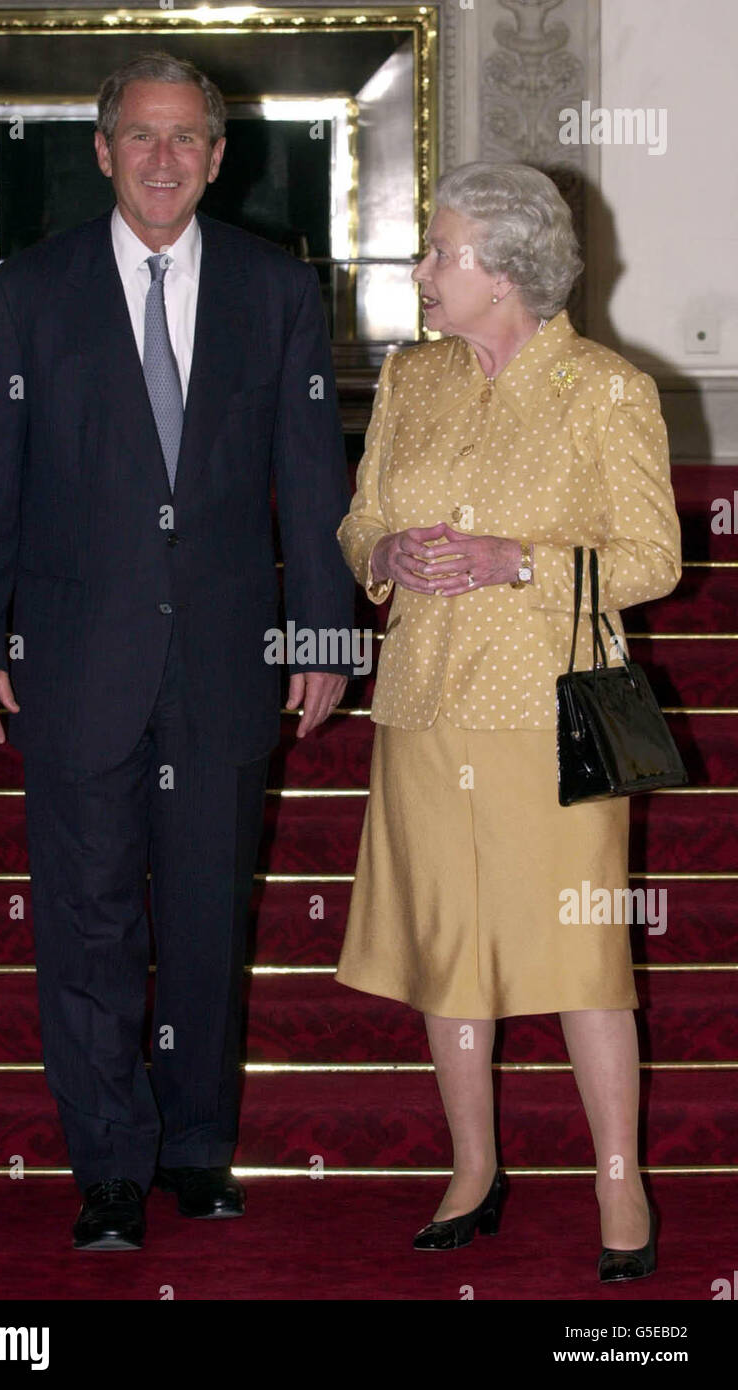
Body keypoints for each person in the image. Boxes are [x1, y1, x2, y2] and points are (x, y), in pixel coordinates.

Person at [0, 52, 353, 1250]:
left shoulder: (277, 292)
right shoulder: (27, 292)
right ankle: (108, 1162)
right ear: (105, 149)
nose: (165, 158)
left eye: (188, 140)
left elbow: (311, 475)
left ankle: (195, 1147)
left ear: (218, 159)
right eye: (143, 137)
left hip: (224, 654)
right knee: (87, 916)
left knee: (213, 914)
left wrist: (323, 626)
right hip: (73, 656)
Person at [334, 162, 681, 1282]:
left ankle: (618, 1175)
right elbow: (361, 519)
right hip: (428, 705)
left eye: (442, 253)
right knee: (448, 954)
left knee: (579, 958)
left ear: (509, 271)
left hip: (557, 715)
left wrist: (514, 560)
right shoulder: (410, 380)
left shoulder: (607, 389)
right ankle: (473, 1165)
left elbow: (653, 560)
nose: (422, 270)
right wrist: (382, 555)